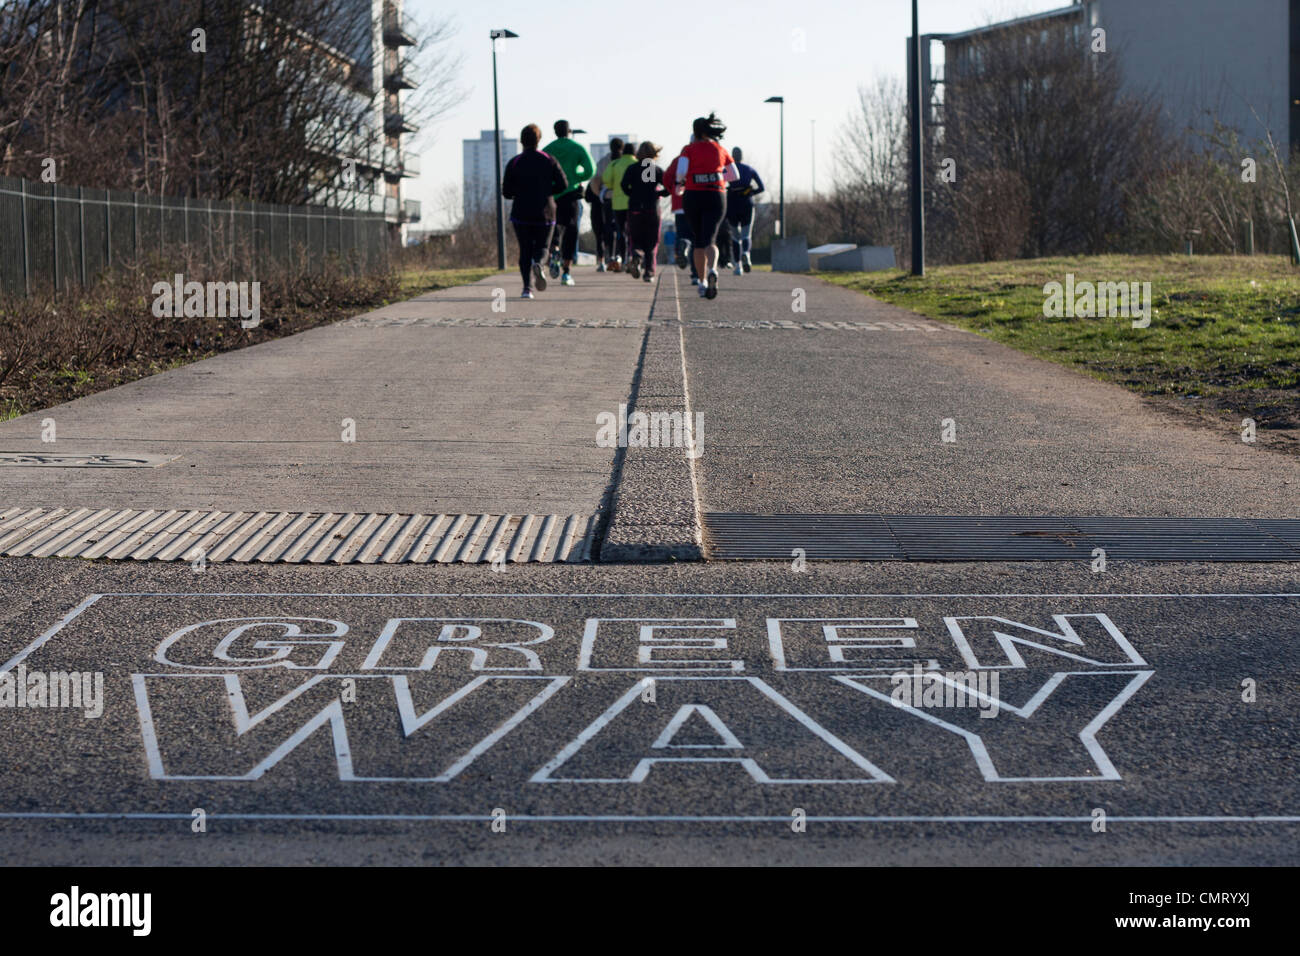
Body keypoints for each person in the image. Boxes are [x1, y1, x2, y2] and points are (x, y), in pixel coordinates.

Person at [674, 113, 739, 299]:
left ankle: (702, 282)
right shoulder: (720, 149)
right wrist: (718, 178)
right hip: (716, 196)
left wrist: (682, 182)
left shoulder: (689, 149)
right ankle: (713, 269)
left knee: (698, 240)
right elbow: (734, 175)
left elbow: (681, 172)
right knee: (711, 239)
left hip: (693, 195)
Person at [501, 123, 567, 299]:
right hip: (545, 212)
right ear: (539, 140)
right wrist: (546, 192)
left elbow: (506, 192)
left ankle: (527, 289)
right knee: (543, 247)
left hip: (521, 213)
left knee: (525, 250)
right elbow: (563, 184)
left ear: (521, 141)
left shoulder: (515, 162)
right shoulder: (549, 159)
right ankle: (538, 264)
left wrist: (521, 193)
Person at [541, 120, 595, 286]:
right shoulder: (577, 147)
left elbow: (541, 172)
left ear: (555, 131)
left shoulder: (547, 149)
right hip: (571, 193)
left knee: (554, 227)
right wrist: (575, 177)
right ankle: (566, 272)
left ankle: (555, 250)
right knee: (571, 230)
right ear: (569, 131)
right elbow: (590, 170)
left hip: (553, 196)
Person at [620, 141, 668, 282]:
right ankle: (649, 272)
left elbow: (623, 185)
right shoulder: (656, 170)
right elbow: (668, 186)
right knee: (652, 242)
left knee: (635, 238)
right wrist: (660, 194)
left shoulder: (632, 168)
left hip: (635, 208)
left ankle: (636, 255)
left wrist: (632, 194)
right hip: (652, 208)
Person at [724, 146, 765, 275]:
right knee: (746, 234)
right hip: (746, 202)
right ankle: (746, 253)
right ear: (741, 156)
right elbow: (762, 187)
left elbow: (720, 182)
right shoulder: (749, 169)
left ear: (732, 156)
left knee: (736, 237)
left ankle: (738, 266)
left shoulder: (727, 169)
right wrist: (751, 192)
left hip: (732, 204)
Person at [664, 139, 700, 284]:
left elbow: (666, 178)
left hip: (679, 203)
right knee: (698, 240)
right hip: (698, 202)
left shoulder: (678, 160)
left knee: (684, 234)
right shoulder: (703, 157)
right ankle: (696, 274)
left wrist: (672, 190)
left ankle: (683, 245)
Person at [603, 139, 637, 272]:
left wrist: (613, 186)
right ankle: (634, 258)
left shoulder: (615, 163)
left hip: (618, 203)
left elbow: (606, 180)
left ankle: (622, 258)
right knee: (633, 233)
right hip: (635, 203)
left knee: (620, 232)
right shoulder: (639, 164)